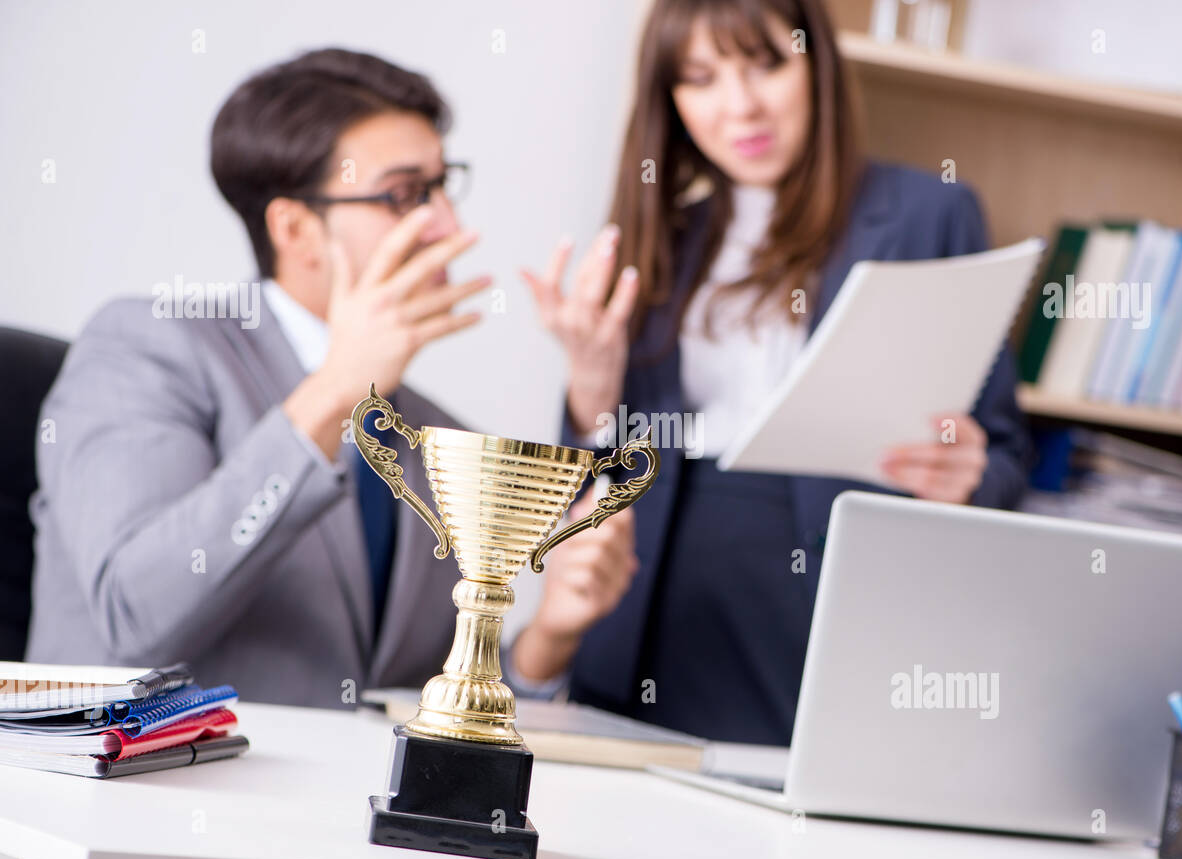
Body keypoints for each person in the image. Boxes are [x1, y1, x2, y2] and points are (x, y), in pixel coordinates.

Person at [26, 48, 635, 708]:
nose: (449, 226)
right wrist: (336, 388)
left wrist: (548, 639)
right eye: (404, 194)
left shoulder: (439, 437)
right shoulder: (146, 347)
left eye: (442, 186)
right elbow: (132, 617)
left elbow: (428, 714)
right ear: (296, 229)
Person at [512, 0, 1033, 745]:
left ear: (816, 62)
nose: (740, 107)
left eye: (765, 64)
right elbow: (597, 484)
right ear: (670, 102)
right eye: (700, 78)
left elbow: (1008, 458)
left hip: (827, 623)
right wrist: (592, 390)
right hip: (649, 623)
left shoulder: (927, 214)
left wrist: (969, 474)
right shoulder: (663, 237)